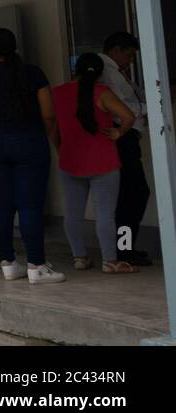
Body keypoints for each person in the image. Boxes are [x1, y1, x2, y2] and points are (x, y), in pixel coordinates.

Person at [0, 28, 65, 284]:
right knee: (30, 205)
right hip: (29, 141)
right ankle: (37, 265)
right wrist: (40, 134)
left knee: (0, 206)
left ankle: (8, 262)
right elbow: (48, 113)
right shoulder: (33, 73)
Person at [51, 53, 137, 274]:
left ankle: (79, 257)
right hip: (103, 160)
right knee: (105, 213)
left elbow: (54, 126)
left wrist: (60, 148)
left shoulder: (58, 92)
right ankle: (110, 260)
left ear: (76, 69)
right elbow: (129, 116)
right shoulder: (103, 93)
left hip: (70, 159)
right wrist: (119, 132)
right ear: (100, 73)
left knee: (72, 212)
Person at [100, 31, 151, 266]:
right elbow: (121, 107)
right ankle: (124, 248)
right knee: (133, 195)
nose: (130, 61)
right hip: (122, 138)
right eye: (128, 56)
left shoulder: (118, 73)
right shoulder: (108, 72)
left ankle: (125, 247)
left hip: (128, 138)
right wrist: (148, 106)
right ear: (116, 50)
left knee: (130, 195)